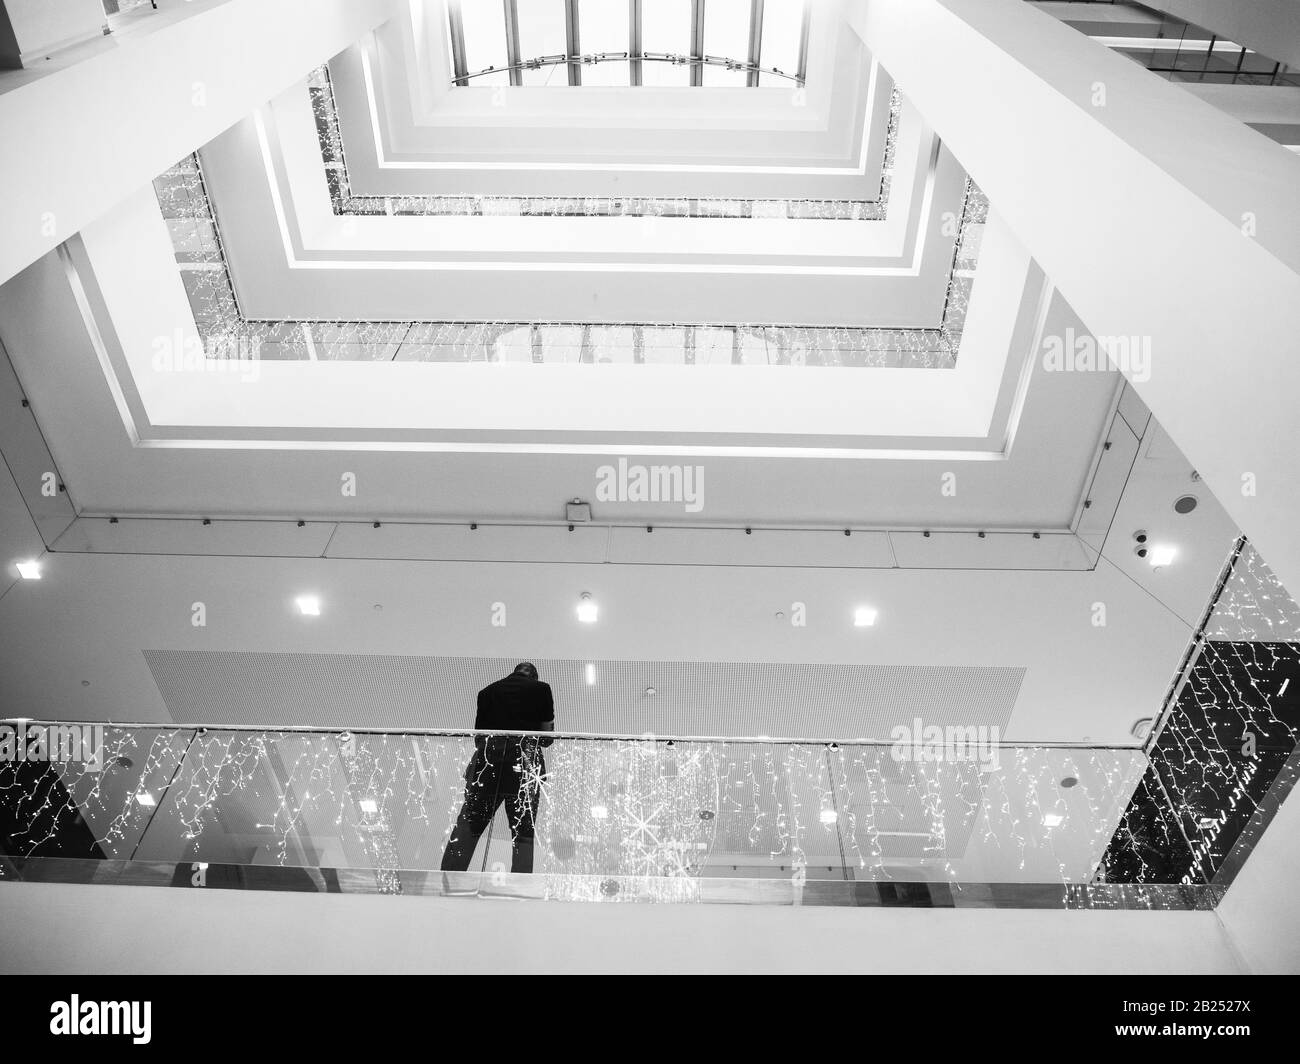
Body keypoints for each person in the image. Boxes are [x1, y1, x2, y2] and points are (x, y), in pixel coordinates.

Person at [440, 662, 555, 877]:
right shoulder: (541, 689)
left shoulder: (487, 692)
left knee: (469, 824)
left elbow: (480, 737)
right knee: (522, 831)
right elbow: (546, 738)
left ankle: (448, 877)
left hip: (488, 764)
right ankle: (519, 883)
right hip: (525, 767)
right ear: (534, 676)